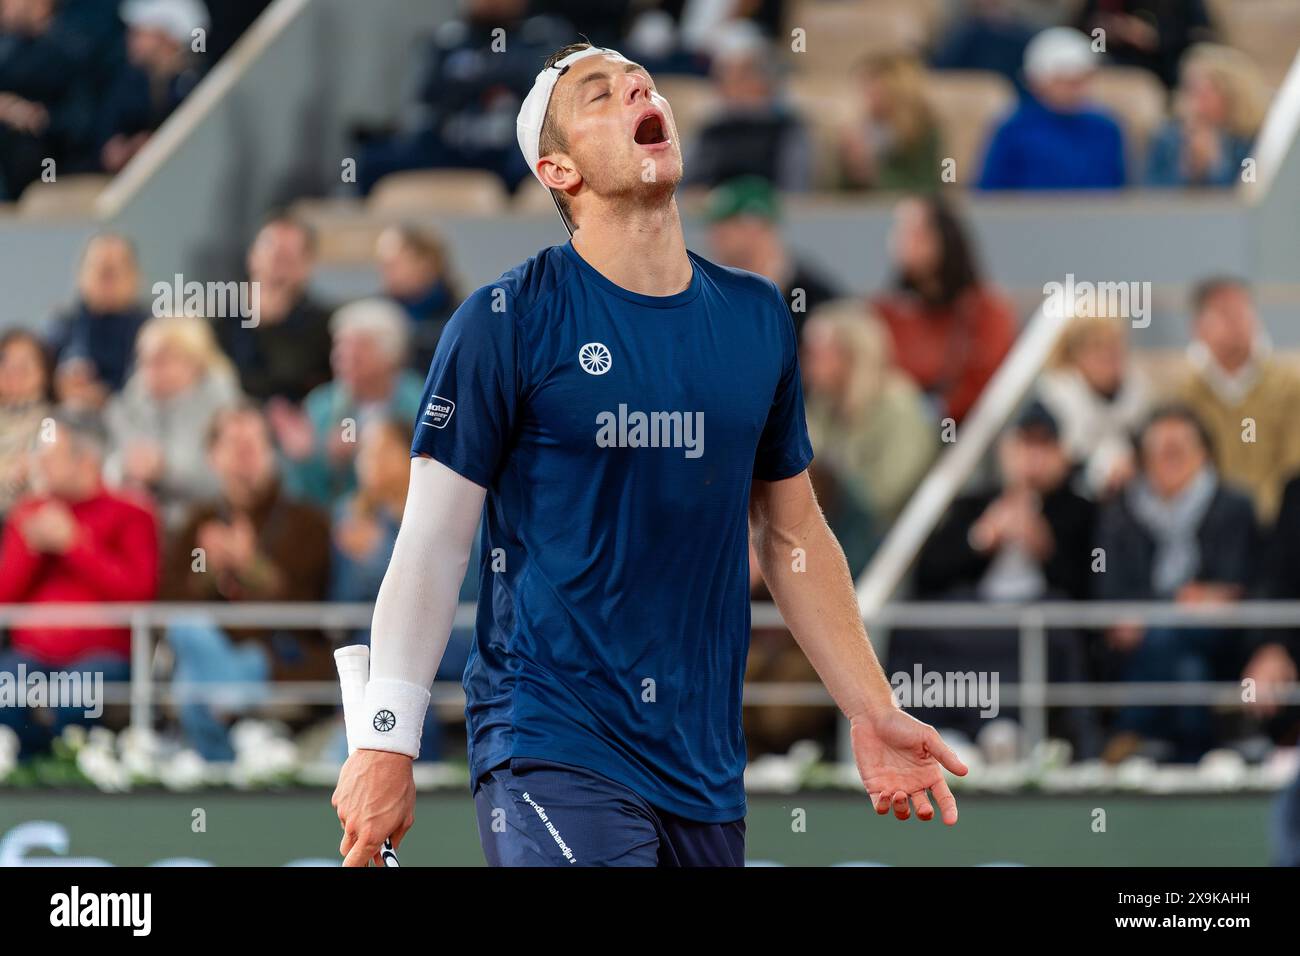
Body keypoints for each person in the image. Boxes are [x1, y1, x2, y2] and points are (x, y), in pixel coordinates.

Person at [333, 41, 968, 869]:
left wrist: (870, 705)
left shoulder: (756, 316)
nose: (637, 89)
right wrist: (388, 738)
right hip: (549, 738)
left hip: (703, 767)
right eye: (599, 93)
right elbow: (432, 541)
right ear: (559, 171)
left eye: (642, 82)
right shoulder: (502, 321)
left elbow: (791, 534)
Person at [161, 403, 332, 760]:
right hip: (210, 648)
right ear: (212, 457)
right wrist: (207, 572)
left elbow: (312, 605)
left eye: (254, 445)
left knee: (194, 690)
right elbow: (168, 603)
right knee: (188, 629)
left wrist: (251, 567)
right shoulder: (196, 521)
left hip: (279, 657)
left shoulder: (307, 521)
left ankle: (219, 764)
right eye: (233, 445)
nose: (245, 457)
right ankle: (231, 704)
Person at [1095, 405, 1257, 762]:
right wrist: (1181, 603)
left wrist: (1156, 612)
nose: (1169, 461)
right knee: (1186, 666)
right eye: (1160, 453)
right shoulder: (1120, 512)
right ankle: (1198, 752)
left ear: (1204, 454)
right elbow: (1112, 604)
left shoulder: (1234, 507)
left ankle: (1132, 730)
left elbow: (1233, 593)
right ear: (1143, 459)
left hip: (1218, 642)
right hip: (1147, 650)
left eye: (1179, 451)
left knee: (1166, 637)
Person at [0, 414, 158, 755]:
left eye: (50, 456)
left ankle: (68, 776)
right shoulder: (29, 514)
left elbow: (138, 593)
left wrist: (75, 545)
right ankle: (26, 778)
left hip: (103, 657)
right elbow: (4, 596)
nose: (39, 464)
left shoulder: (131, 512)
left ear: (85, 460)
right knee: (5, 687)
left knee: (74, 695)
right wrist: (31, 548)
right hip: (30, 655)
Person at [328, 417, 475, 761]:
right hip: (389, 650)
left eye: (380, 451)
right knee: (386, 653)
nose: (369, 463)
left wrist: (379, 555)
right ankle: (395, 761)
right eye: (364, 454)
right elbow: (343, 601)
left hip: (455, 636)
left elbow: (461, 587)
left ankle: (363, 743)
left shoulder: (448, 506)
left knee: (390, 653)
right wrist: (359, 559)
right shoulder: (351, 518)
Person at [871, 195, 1018, 424]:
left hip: (960, 431)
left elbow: (985, 384)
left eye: (913, 233)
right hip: (892, 426)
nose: (900, 242)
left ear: (942, 239)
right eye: (898, 232)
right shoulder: (886, 312)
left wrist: (938, 410)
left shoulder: (985, 311)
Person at [272, 298, 425, 508]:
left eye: (360, 347)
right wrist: (310, 459)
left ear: (391, 354)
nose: (345, 356)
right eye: (340, 345)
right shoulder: (322, 406)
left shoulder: (418, 401)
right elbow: (304, 495)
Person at [1175, 276, 1300, 525]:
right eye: (1223, 312)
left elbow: (1293, 464)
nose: (1237, 320)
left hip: (1280, 525)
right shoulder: (1184, 394)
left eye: (1243, 309)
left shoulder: (1290, 386)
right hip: (1206, 526)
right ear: (1198, 327)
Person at [800, 301, 937, 525]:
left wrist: (832, 482)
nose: (807, 361)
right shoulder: (823, 402)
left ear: (852, 354)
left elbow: (886, 495)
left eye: (818, 354)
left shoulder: (897, 403)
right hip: (836, 523)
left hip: (886, 530)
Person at [103, 314, 242, 530]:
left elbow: (228, 484)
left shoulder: (224, 410)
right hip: (135, 524)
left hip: (202, 526)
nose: (150, 371)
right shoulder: (125, 406)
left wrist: (164, 470)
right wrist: (124, 467)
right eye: (144, 360)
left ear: (195, 362)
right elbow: (104, 469)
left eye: (163, 360)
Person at [977, 27, 1126, 191]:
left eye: (1081, 80)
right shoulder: (1013, 129)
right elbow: (990, 194)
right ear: (1036, 82)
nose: (1075, 89)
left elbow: (1119, 193)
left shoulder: (1106, 129)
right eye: (1064, 81)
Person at [704, 176, 840, 341]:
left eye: (723, 231)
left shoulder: (812, 296)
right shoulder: (714, 296)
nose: (713, 239)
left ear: (754, 228)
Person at [215, 214, 334, 404]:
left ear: (305, 267)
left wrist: (270, 327)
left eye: (287, 259)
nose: (276, 269)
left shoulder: (324, 324)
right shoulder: (221, 313)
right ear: (252, 257)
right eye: (272, 255)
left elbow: (293, 379)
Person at [682, 22, 812, 192]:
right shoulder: (711, 128)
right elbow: (685, 187)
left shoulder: (788, 129)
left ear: (764, 81)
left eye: (742, 76)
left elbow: (795, 192)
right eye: (725, 77)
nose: (730, 86)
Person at [1036, 314, 1152, 499]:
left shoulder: (1140, 394)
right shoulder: (1051, 405)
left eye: (1114, 344)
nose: (1109, 355)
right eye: (1097, 346)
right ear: (1075, 354)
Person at [98, 0, 207, 174]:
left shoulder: (194, 83)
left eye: (140, 33)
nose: (130, 40)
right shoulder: (134, 82)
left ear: (167, 38)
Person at [46, 233, 147, 411]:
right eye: (100, 269)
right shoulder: (61, 328)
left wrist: (110, 399)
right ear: (80, 276)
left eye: (115, 270)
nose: (107, 278)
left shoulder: (155, 331)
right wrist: (58, 387)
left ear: (135, 277)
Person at [1145, 43, 1267, 189]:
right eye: (1188, 90)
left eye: (1204, 92)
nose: (1193, 102)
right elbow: (1150, 194)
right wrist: (1186, 169)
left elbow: (1249, 196)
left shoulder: (1254, 143)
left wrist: (1216, 165)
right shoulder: (1167, 138)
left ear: (1232, 95)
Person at [837, 52, 943, 193]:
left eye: (872, 87)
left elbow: (927, 188)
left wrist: (872, 173)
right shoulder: (859, 130)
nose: (865, 95)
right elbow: (841, 194)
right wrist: (851, 165)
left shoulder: (925, 129)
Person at [374, 224, 461, 372]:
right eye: (382, 264)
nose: (385, 272)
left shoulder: (460, 316)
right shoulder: (374, 315)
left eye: (393, 264)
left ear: (426, 264)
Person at [1074, 0, 1215, 89]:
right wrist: (1106, 31)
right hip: (1108, 64)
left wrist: (1153, 38)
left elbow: (1199, 34)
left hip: (1162, 69)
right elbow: (1086, 29)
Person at [0, 328, 53, 517]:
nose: (14, 370)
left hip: (25, 519)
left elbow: (50, 470)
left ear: (44, 371)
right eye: (5, 361)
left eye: (25, 362)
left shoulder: (51, 423)